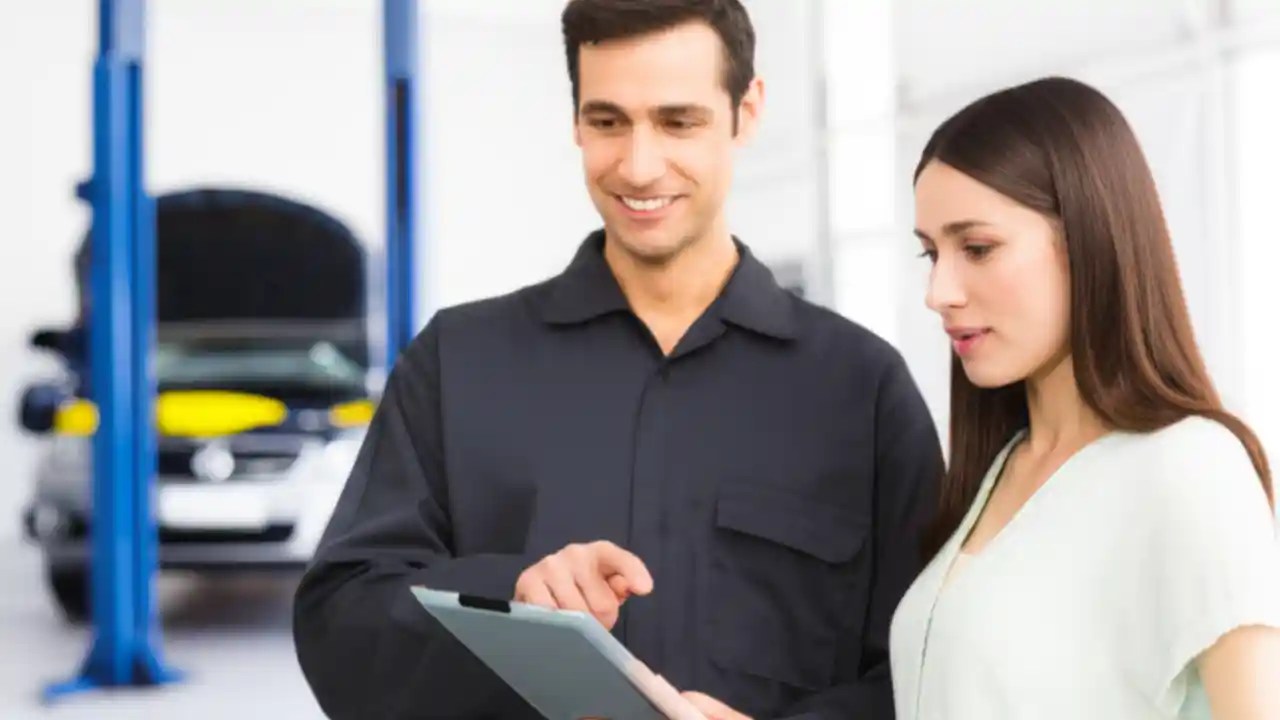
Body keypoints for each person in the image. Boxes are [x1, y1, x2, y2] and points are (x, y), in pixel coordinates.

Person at [294, 1, 942, 719]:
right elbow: (340, 626)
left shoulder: (861, 389)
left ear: (747, 111)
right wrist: (513, 594)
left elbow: (928, 672)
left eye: (678, 121)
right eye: (608, 121)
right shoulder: (456, 365)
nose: (638, 166)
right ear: (575, 120)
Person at [889, 76, 1280, 719]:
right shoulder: (998, 469)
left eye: (977, 248)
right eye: (931, 254)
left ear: (1089, 239)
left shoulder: (1190, 467)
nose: (940, 291)